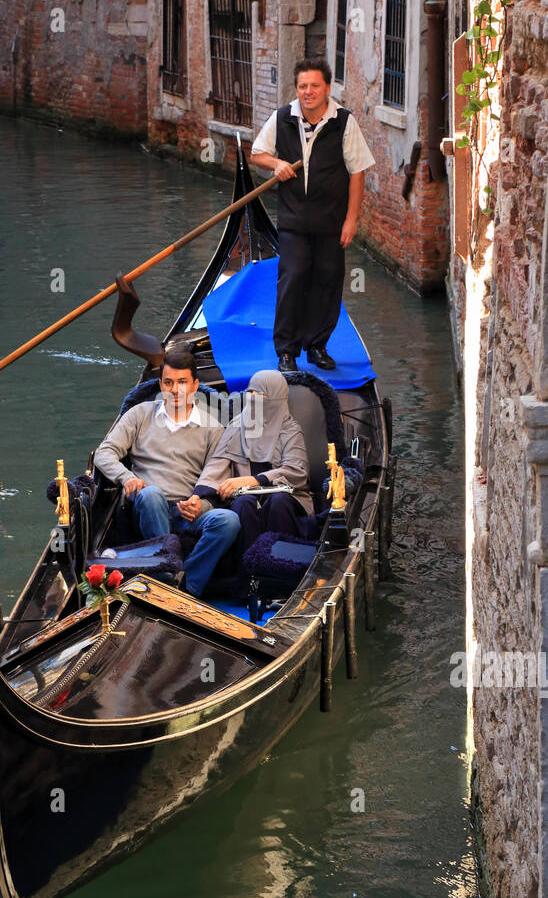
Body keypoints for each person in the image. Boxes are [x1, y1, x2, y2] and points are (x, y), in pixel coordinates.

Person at [251, 58, 375, 374]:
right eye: (303, 86)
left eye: (315, 86)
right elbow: (257, 154)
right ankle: (287, 352)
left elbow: (358, 172)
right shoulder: (282, 119)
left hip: (332, 222)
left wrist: (351, 220)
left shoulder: (344, 122)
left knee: (328, 281)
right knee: (292, 278)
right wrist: (275, 164)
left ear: (327, 89)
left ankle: (318, 345)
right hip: (293, 221)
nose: (308, 92)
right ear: (297, 89)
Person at [93, 347, 240, 598]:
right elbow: (103, 453)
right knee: (152, 495)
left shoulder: (213, 429)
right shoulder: (139, 414)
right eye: (169, 383)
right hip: (145, 503)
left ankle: (186, 585)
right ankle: (164, 573)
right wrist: (127, 477)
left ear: (194, 386)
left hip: (186, 510)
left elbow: (217, 477)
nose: (175, 390)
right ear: (161, 385)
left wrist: (201, 504)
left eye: (182, 383)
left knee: (228, 521)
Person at [194, 371, 312, 561]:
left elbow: (296, 471)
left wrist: (252, 480)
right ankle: (246, 575)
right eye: (250, 393)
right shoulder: (236, 426)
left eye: (261, 395)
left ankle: (282, 566)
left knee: (278, 501)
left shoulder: (291, 431)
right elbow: (216, 464)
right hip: (245, 497)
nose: (253, 400)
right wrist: (198, 497)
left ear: (276, 399)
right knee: (243, 503)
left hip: (286, 496)